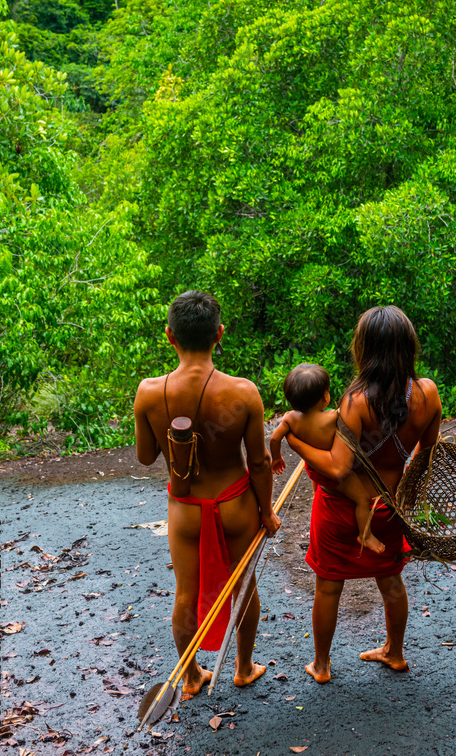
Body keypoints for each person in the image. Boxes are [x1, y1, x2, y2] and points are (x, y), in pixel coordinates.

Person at [134, 290, 281, 699]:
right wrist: (266, 511)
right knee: (244, 586)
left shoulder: (148, 392)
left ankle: (194, 675)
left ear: (169, 336)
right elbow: (260, 462)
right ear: (220, 334)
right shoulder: (245, 392)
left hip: (185, 509)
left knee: (185, 593)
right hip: (236, 504)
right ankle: (244, 666)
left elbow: (146, 458)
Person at [285, 305, 442, 684]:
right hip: (389, 506)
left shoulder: (354, 402)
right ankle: (395, 652)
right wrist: (409, 496)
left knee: (328, 584)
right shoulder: (428, 394)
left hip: (342, 508)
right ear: (408, 346)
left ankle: (321, 666)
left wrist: (293, 441)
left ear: (364, 349)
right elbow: (427, 454)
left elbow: (338, 467)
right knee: (390, 580)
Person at [270, 363, 386, 554]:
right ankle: (364, 536)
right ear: (325, 397)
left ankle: (320, 497)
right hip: (337, 476)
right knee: (363, 499)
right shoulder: (333, 417)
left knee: (320, 485)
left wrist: (276, 458)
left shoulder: (290, 418)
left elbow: (274, 437)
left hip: (314, 470)